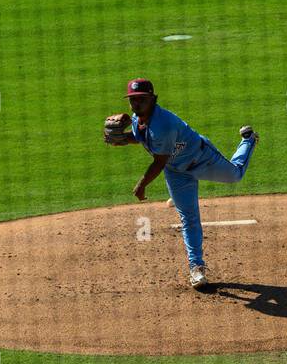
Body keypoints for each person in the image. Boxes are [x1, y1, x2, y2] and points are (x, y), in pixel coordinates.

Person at [103, 78, 259, 288]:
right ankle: (196, 269)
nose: (136, 104)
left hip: (202, 159)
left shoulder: (163, 125)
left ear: (153, 99)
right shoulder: (136, 118)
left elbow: (158, 161)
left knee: (235, 175)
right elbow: (143, 137)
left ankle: (248, 140)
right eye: (133, 100)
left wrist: (141, 185)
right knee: (189, 218)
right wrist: (122, 139)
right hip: (177, 172)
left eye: (141, 99)